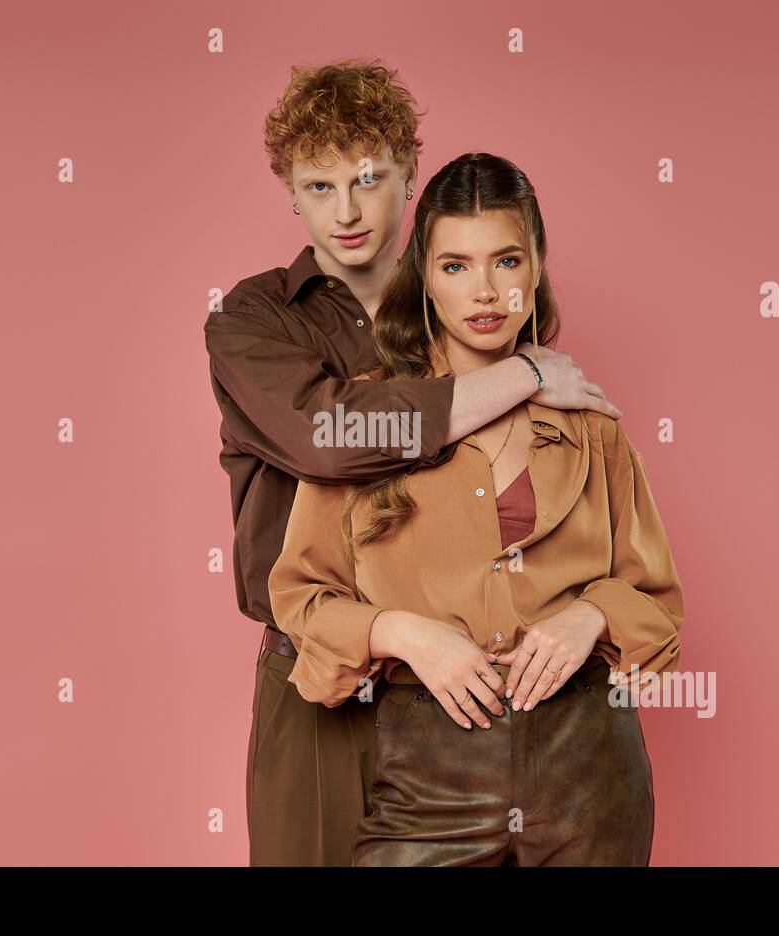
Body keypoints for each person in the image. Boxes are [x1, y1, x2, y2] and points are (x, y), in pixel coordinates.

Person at [204, 61, 621, 866]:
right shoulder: (251, 320)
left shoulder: (463, 297)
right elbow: (326, 437)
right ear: (290, 194)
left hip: (462, 689)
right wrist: (523, 374)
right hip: (318, 676)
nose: (347, 211)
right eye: (319, 187)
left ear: (408, 175)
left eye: (368, 180)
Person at [268, 152, 685, 866]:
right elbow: (301, 598)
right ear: (424, 278)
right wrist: (403, 633)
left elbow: (659, 604)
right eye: (455, 266)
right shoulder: (373, 420)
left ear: (537, 268)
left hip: (590, 768)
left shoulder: (591, 424)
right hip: (429, 767)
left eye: (507, 261)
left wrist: (590, 616)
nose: (486, 291)